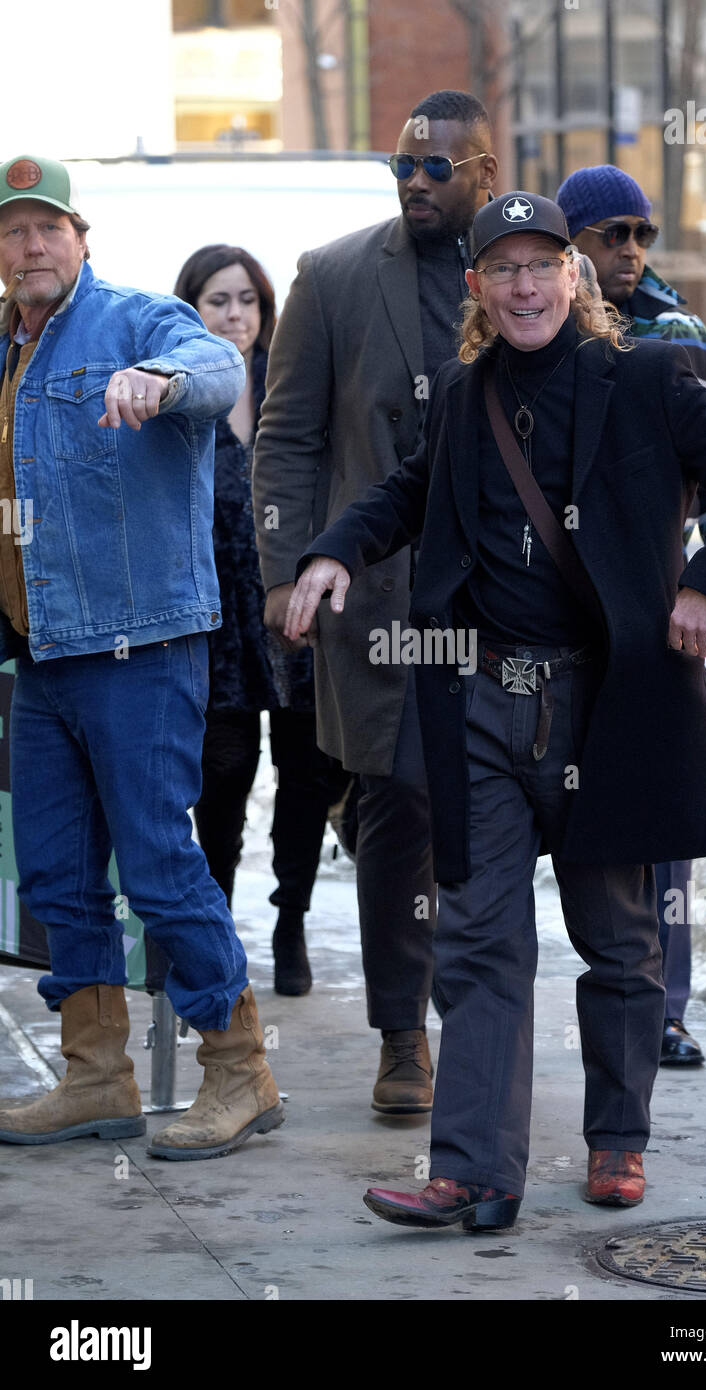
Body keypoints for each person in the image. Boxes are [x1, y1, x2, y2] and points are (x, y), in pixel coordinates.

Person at [284, 191, 706, 1230]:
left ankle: (617, 1142)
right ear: (477, 289)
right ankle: (474, 1171)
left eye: (542, 265)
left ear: (572, 277)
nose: (524, 285)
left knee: (616, 938)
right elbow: (408, 492)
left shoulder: (650, 380)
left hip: (608, 706)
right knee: (478, 940)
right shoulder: (465, 395)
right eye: (503, 269)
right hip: (482, 700)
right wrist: (334, 549)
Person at [0, 156, 284, 1161]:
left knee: (162, 865)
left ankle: (240, 1067)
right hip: (38, 657)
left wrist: (159, 382)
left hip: (140, 646)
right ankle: (95, 1076)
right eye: (12, 232)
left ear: (81, 235)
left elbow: (220, 368)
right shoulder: (5, 351)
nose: (30, 249)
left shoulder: (136, 320)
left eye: (46, 229)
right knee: (56, 875)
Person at [253, 90, 498, 1113]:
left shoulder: (527, 274)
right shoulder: (337, 275)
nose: (414, 181)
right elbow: (288, 437)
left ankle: (482, 1016)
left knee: (484, 819)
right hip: (384, 606)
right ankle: (403, 1036)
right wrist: (282, 572)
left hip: (506, 607)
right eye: (403, 164)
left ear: (485, 169)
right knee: (399, 812)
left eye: (437, 167)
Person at [558, 164, 706, 1068]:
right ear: (571, 246)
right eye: (613, 235)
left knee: (664, 809)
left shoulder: (675, 329)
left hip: (652, 592)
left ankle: (664, 1011)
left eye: (641, 234)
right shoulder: (532, 328)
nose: (631, 251)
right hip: (553, 612)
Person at [174, 245, 348, 996]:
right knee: (221, 782)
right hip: (216, 633)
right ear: (192, 308)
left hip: (297, 623)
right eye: (218, 300)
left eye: (247, 300)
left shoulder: (294, 383)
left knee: (307, 779)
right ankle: (219, 933)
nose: (235, 314)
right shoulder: (179, 396)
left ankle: (292, 918)